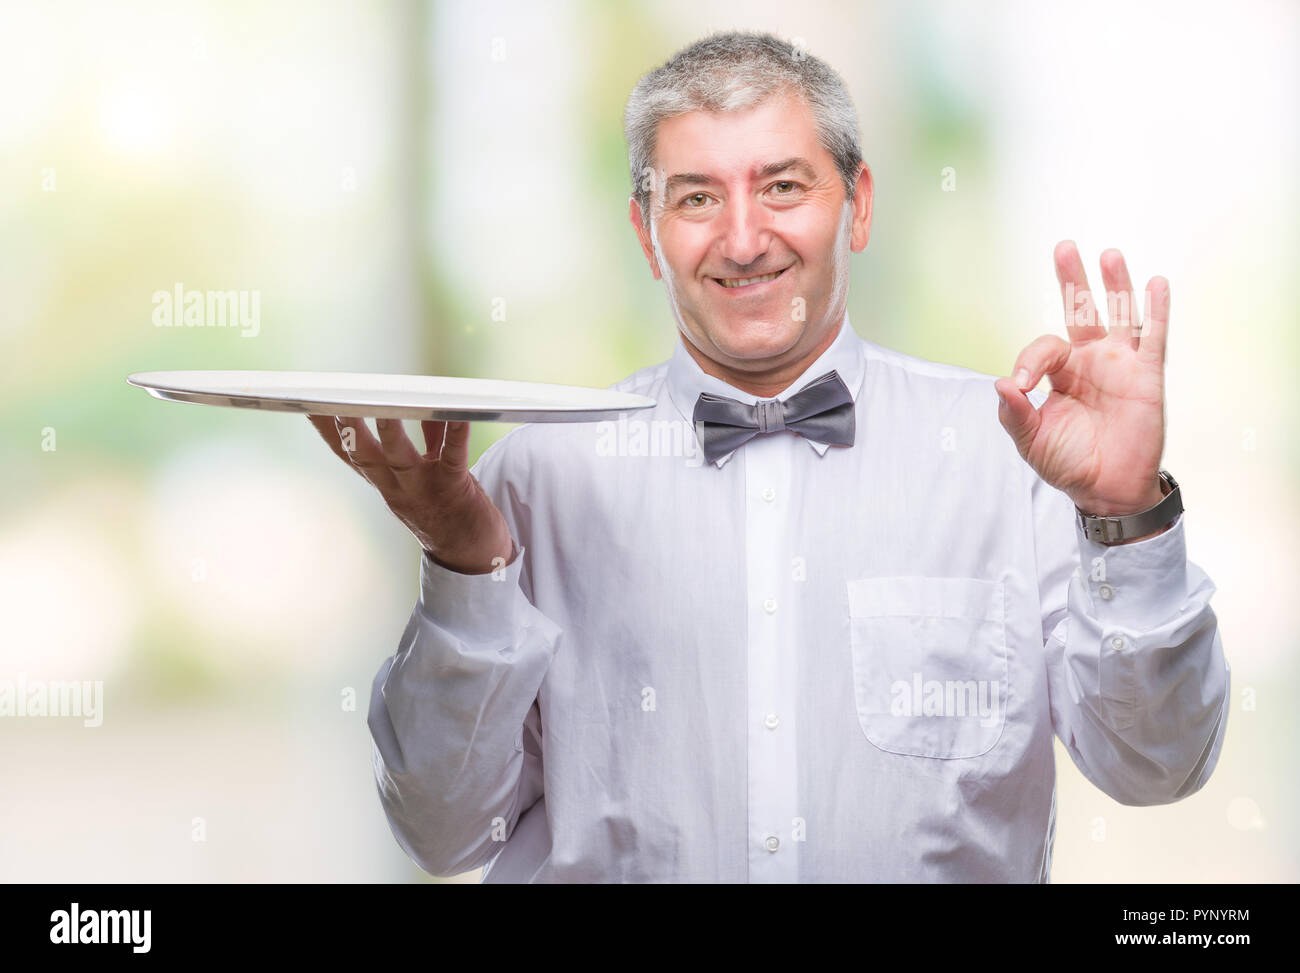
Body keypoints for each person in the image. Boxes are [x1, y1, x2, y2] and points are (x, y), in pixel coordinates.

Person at [308, 30, 1229, 883]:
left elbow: (1156, 764)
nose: (743, 240)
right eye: (698, 197)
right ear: (646, 233)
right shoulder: (535, 480)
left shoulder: (1008, 460)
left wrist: (1127, 514)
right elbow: (441, 831)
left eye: (784, 186)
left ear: (857, 207)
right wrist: (464, 565)